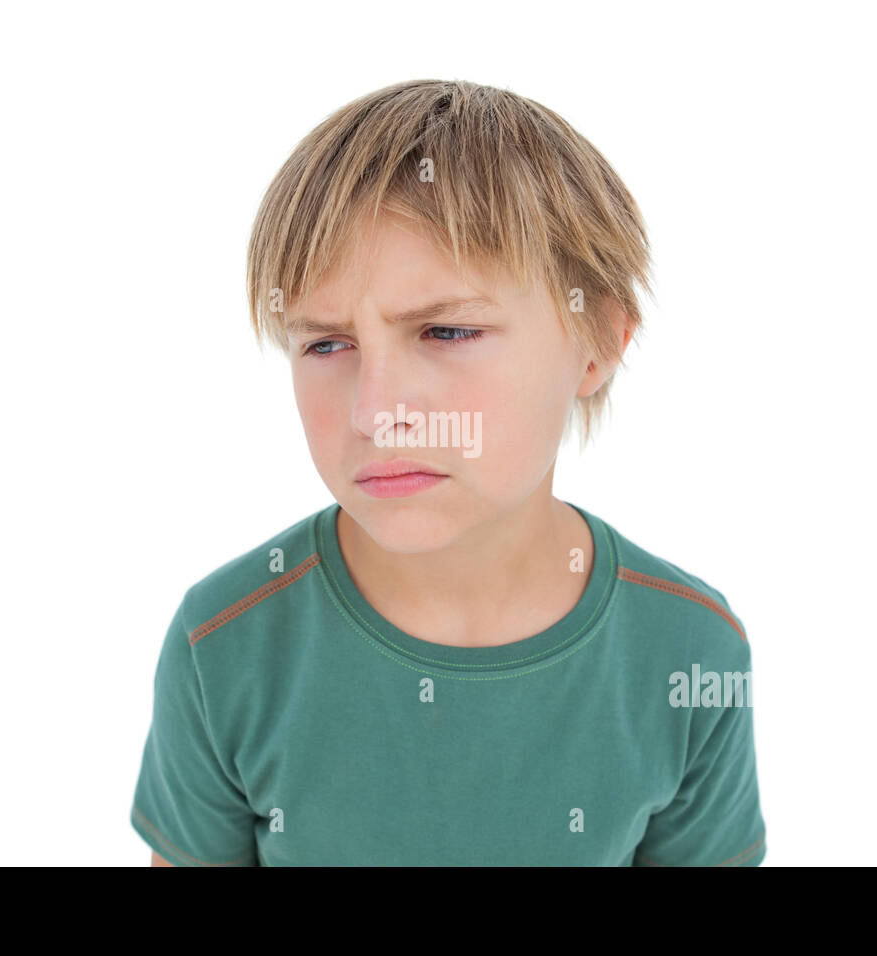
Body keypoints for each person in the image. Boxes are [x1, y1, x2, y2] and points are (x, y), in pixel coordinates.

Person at [130, 78, 767, 866]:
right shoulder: (226, 644)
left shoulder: (690, 652)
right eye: (326, 344)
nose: (376, 411)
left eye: (447, 330)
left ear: (598, 339)